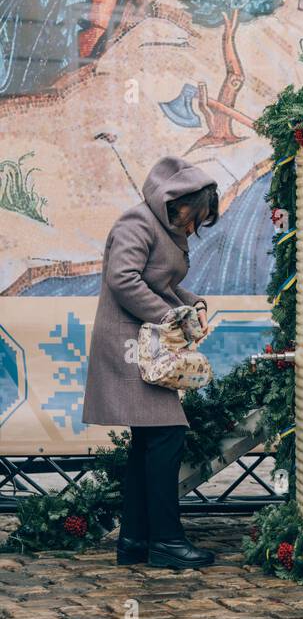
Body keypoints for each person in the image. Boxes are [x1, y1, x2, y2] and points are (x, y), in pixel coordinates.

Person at [82, 156, 219, 569]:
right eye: (195, 218)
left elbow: (160, 282)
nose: (194, 228)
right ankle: (165, 542)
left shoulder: (160, 226)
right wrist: (169, 316)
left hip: (144, 342)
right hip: (130, 345)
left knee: (148, 442)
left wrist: (190, 303)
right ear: (176, 201)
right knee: (166, 436)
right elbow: (123, 279)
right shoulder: (137, 223)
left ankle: (136, 541)